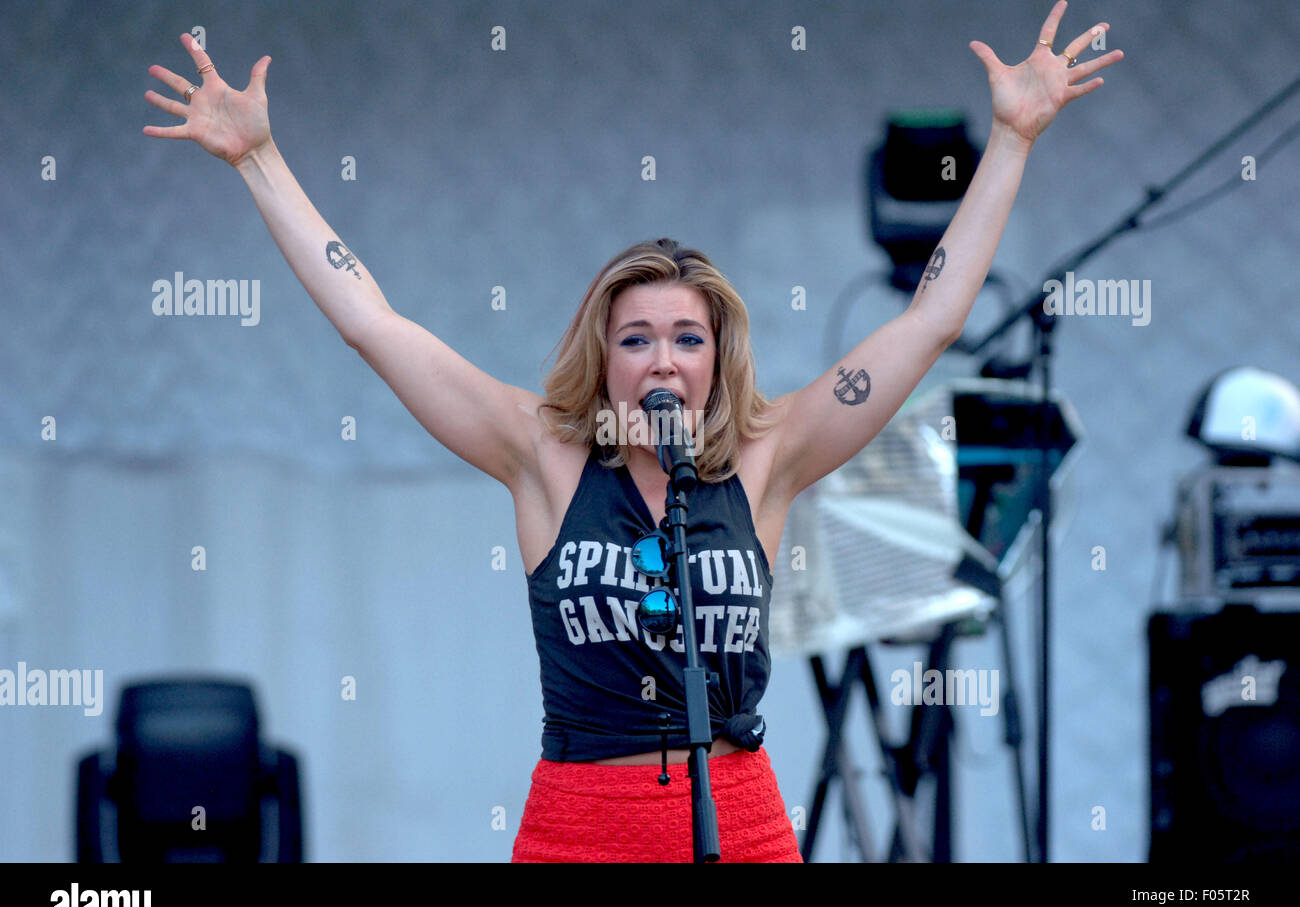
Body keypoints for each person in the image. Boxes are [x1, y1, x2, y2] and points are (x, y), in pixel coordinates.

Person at [142, 0, 1122, 862]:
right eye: (638, 337)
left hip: (739, 816)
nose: (663, 358)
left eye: (686, 338)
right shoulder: (543, 453)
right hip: (582, 820)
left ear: (716, 357)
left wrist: (1012, 141)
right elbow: (374, 323)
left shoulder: (768, 454)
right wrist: (259, 158)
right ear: (602, 355)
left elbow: (928, 322)